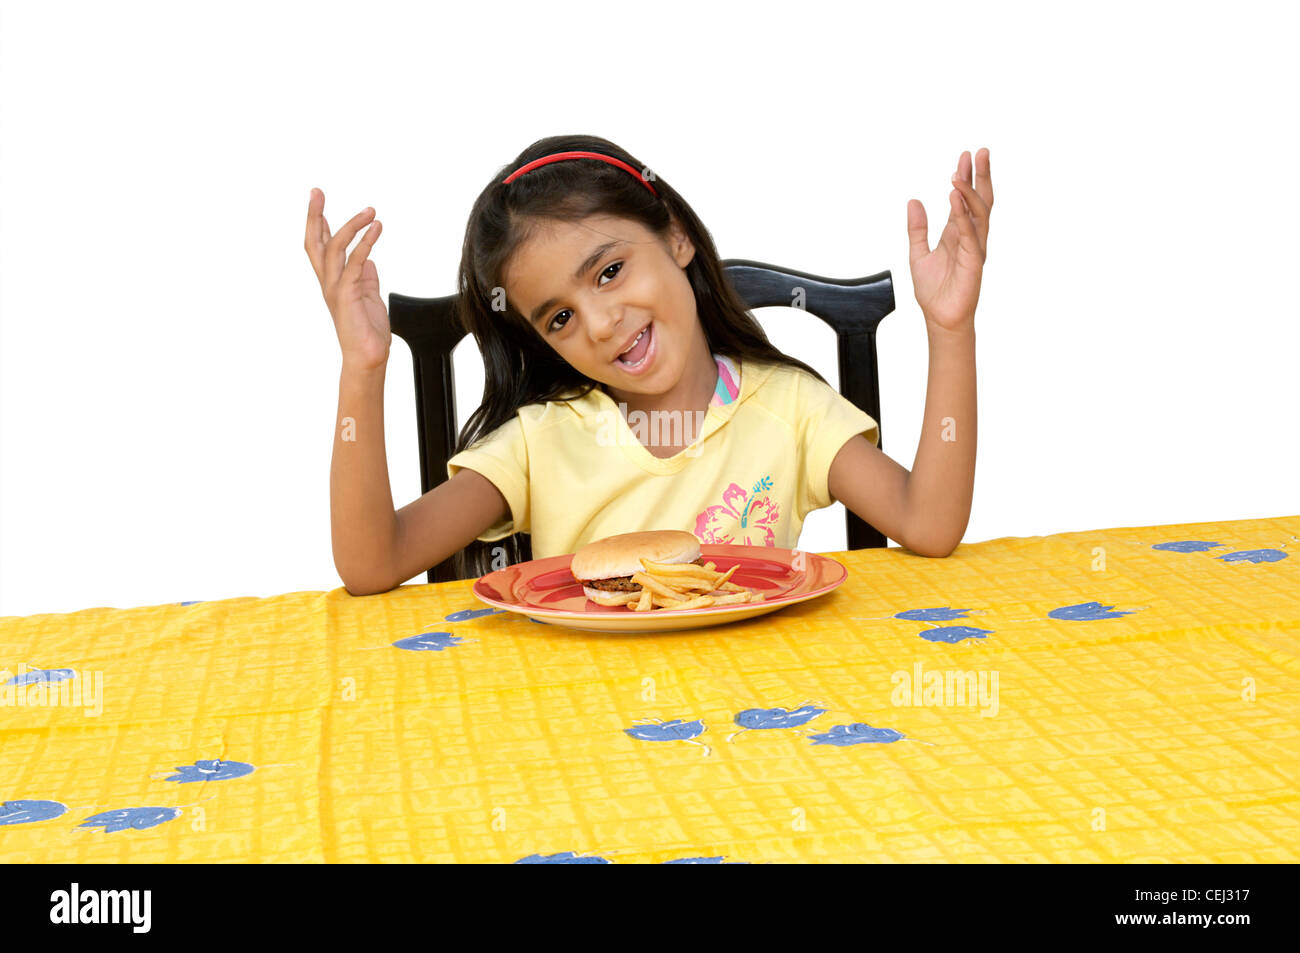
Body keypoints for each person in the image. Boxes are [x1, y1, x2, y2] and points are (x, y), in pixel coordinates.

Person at [306, 135, 991, 595]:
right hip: (590, 742)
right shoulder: (543, 441)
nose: (600, 323)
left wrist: (950, 327)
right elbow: (372, 564)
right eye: (560, 317)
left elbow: (928, 524)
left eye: (607, 270)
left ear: (676, 235)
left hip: (765, 717)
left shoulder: (789, 412)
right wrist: (362, 367)